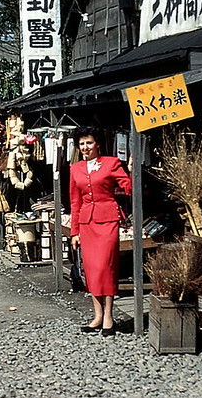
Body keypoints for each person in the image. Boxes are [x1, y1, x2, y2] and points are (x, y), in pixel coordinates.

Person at [69, 126, 132, 336]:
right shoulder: (75, 169)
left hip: (108, 221)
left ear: (97, 144)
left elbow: (129, 188)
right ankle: (97, 315)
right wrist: (74, 232)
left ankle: (109, 317)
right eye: (81, 144)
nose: (85, 147)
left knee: (106, 267)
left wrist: (132, 171)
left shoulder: (111, 163)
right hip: (86, 224)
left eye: (89, 143)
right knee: (92, 269)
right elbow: (75, 202)